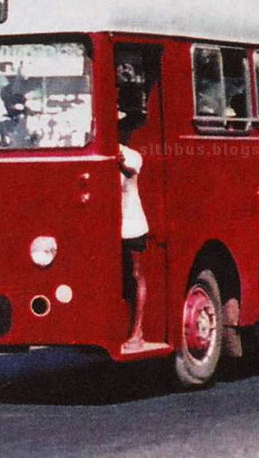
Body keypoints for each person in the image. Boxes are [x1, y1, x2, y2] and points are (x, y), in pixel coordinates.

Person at [119, 111, 150, 353]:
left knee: (136, 273)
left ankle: (137, 330)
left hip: (132, 224)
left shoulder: (131, 155)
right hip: (109, 227)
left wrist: (119, 162)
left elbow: (131, 171)